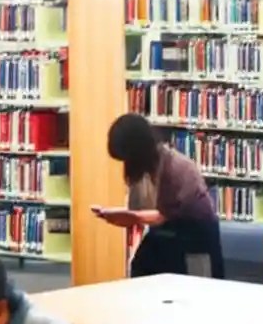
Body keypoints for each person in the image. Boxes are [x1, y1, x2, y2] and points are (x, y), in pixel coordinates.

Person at [95, 113, 225, 279]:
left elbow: (163, 216)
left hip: (196, 237)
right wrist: (123, 216)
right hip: (173, 231)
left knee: (196, 289)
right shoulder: (154, 166)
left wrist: (129, 216)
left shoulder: (174, 168)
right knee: (143, 263)